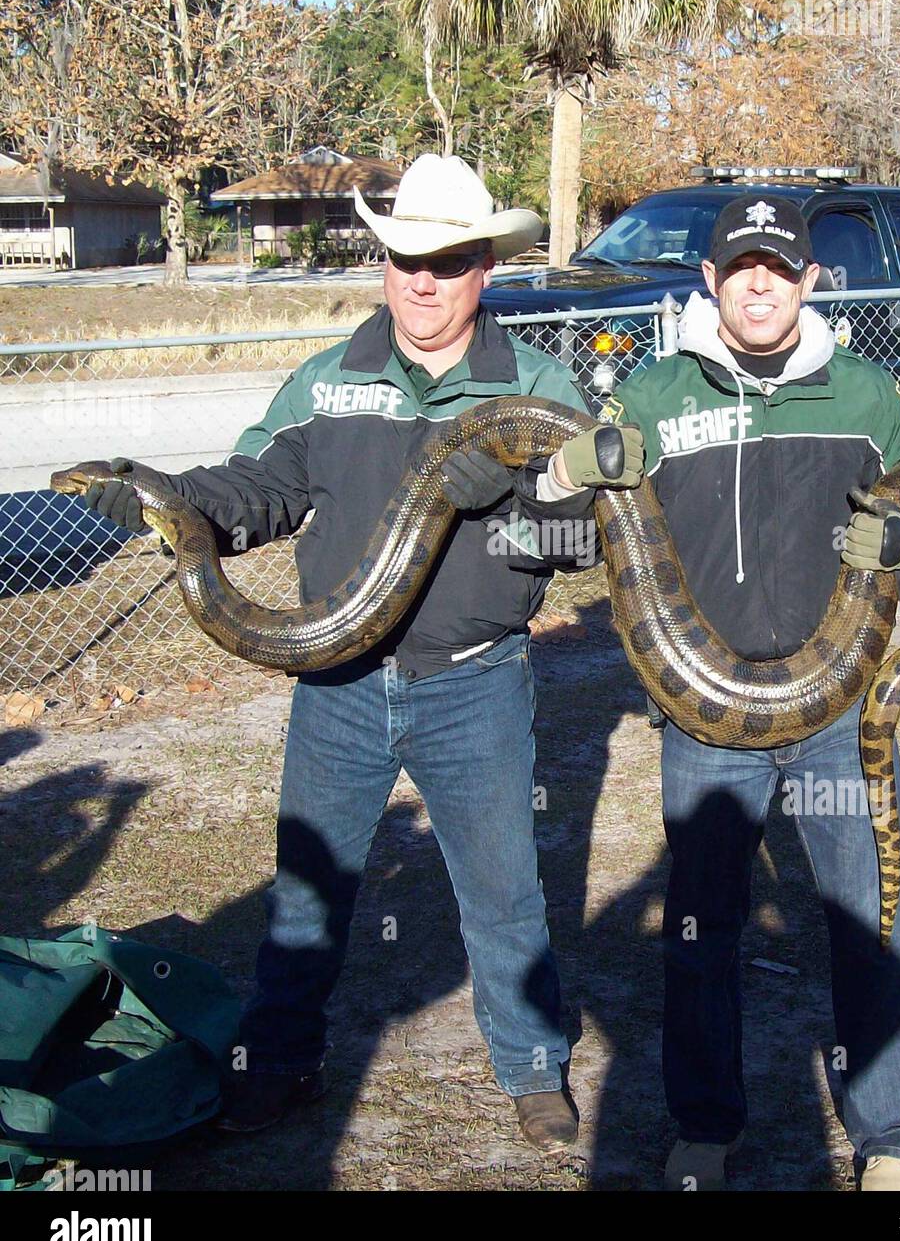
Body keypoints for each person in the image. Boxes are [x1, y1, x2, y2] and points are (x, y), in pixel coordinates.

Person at [83, 153, 644, 1154]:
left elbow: (582, 541)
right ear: (383, 263)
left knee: (505, 894)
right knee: (306, 892)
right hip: (335, 682)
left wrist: (507, 494)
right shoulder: (329, 379)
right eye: (405, 259)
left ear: (484, 269)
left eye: (450, 260)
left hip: (472, 683)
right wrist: (176, 505)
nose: (423, 281)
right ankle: (280, 1059)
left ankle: (528, 1068)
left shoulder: (537, 386)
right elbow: (257, 487)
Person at [600, 193, 900, 1192]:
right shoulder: (652, 397)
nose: (758, 282)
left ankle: (891, 1136)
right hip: (706, 719)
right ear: (707, 279)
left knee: (871, 915)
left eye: (778, 266)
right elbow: (592, 529)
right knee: (702, 929)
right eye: (739, 265)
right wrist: (560, 486)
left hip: (839, 713)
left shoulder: (867, 396)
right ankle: (705, 1126)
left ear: (807, 280)